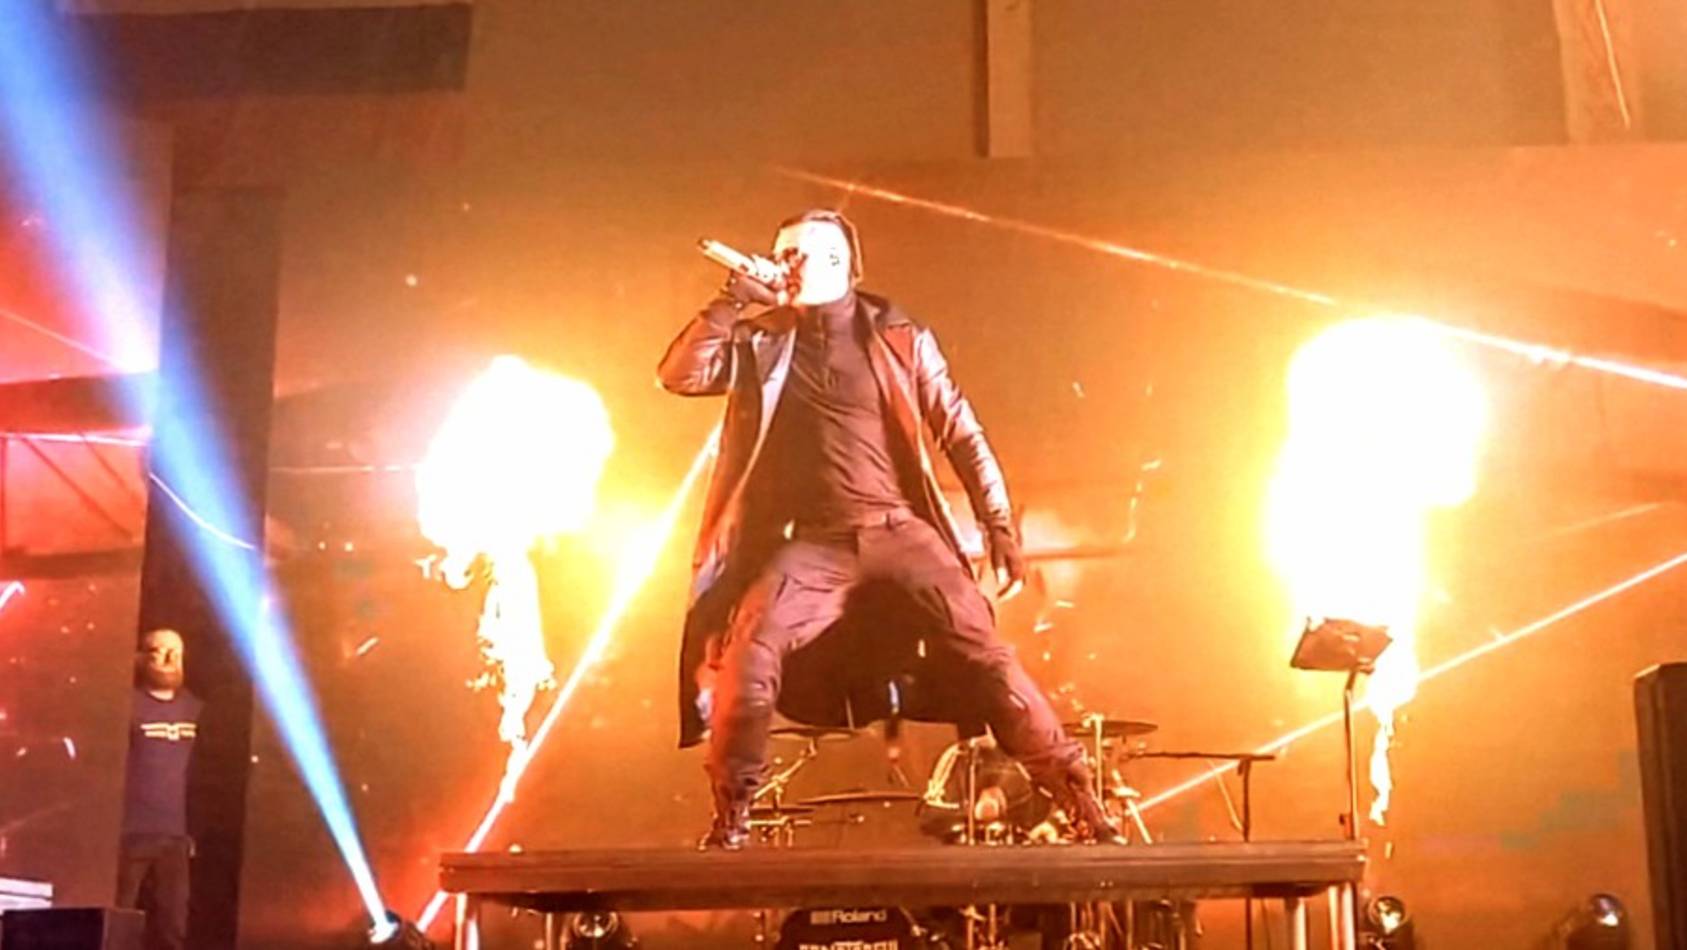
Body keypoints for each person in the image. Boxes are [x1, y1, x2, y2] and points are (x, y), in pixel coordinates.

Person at [658, 209, 1117, 849]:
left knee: (986, 656)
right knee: (749, 648)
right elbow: (680, 375)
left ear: (838, 264)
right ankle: (731, 819)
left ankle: (1081, 803)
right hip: (816, 542)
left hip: (900, 533)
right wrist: (729, 303)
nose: (782, 265)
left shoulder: (898, 336)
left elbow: (960, 430)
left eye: (797, 255)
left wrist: (998, 525)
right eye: (780, 252)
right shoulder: (764, 340)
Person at [116, 627, 201, 950]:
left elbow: (202, 776)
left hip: (174, 837)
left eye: (176, 653)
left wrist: (193, 831)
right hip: (129, 834)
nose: (169, 659)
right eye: (159, 651)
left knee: (173, 925)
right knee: (119, 921)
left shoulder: (195, 709)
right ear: (141, 658)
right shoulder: (127, 706)